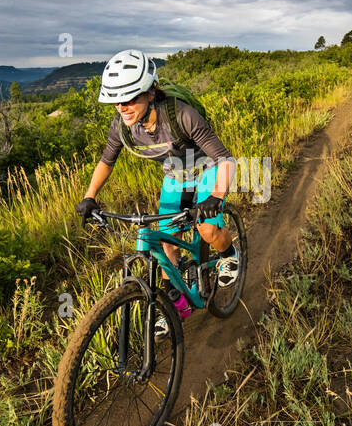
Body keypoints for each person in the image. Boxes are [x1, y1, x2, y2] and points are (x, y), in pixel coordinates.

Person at [75, 49, 240, 335]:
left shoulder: (181, 114)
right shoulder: (123, 127)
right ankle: (176, 303)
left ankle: (229, 253)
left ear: (150, 92)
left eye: (129, 99)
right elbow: (106, 160)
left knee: (207, 230)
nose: (122, 107)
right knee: (166, 242)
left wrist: (215, 196)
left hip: (208, 165)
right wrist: (89, 197)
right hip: (176, 173)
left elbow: (225, 160)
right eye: (116, 101)